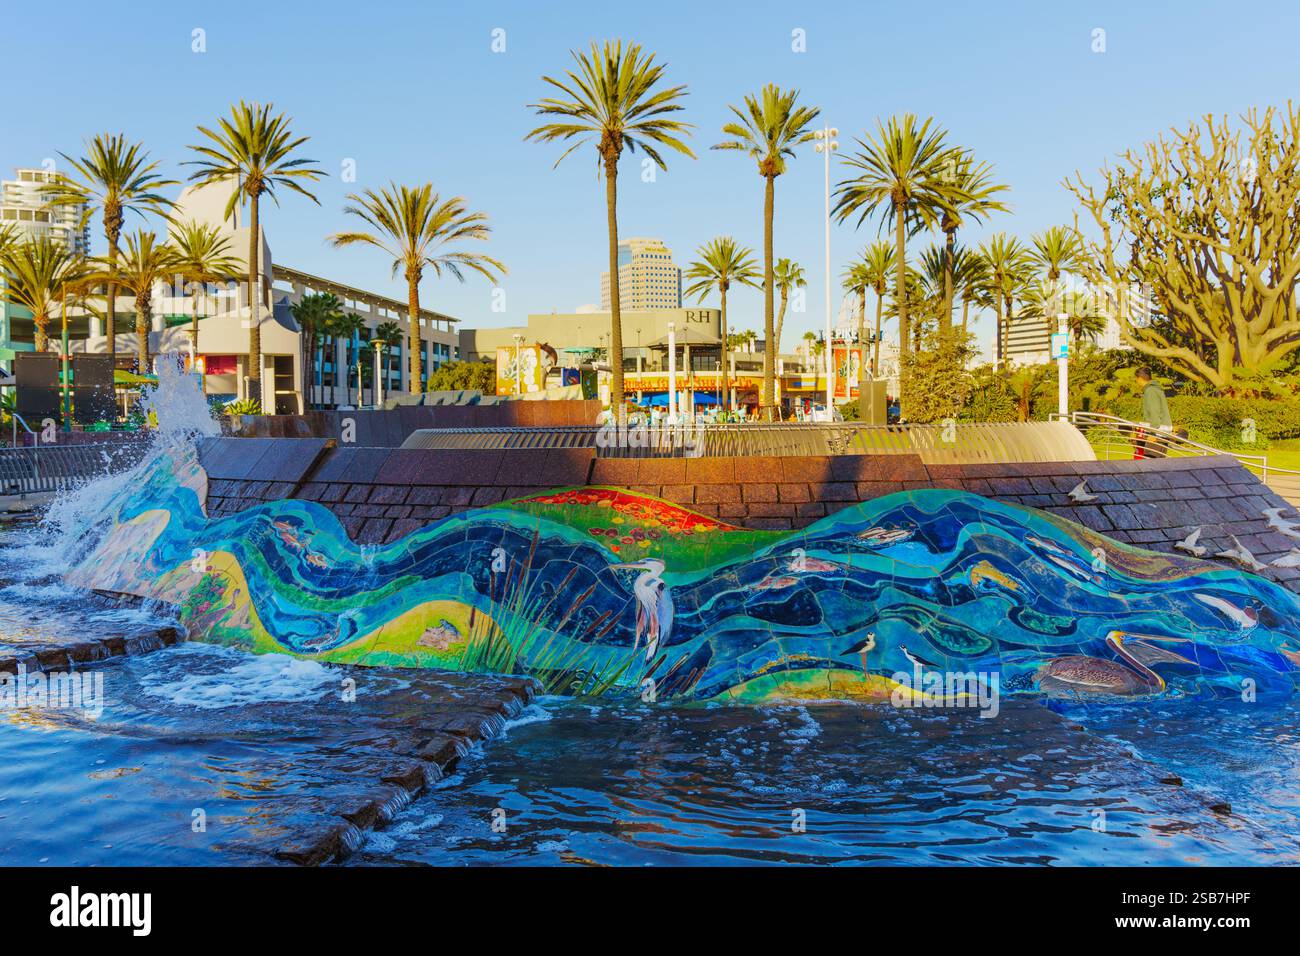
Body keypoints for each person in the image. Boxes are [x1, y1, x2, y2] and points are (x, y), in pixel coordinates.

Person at [1134, 367, 1172, 459]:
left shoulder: (1150, 391)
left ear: (1140, 378)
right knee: (1158, 464)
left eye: (1136, 379)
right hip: (1162, 432)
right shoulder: (1156, 389)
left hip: (1157, 433)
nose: (1136, 381)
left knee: (1150, 463)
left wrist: (1152, 434)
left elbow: (1154, 413)